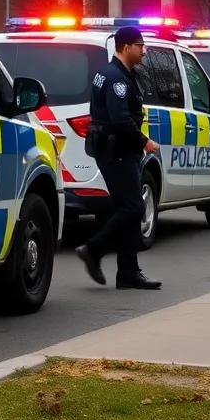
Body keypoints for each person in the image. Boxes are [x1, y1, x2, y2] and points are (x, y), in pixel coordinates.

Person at [74, 25, 161, 290]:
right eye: (140, 46)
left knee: (130, 209)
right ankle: (93, 249)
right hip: (118, 150)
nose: (144, 51)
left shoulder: (116, 73)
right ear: (126, 47)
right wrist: (143, 141)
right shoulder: (117, 78)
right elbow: (120, 118)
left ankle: (128, 272)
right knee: (133, 207)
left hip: (119, 150)